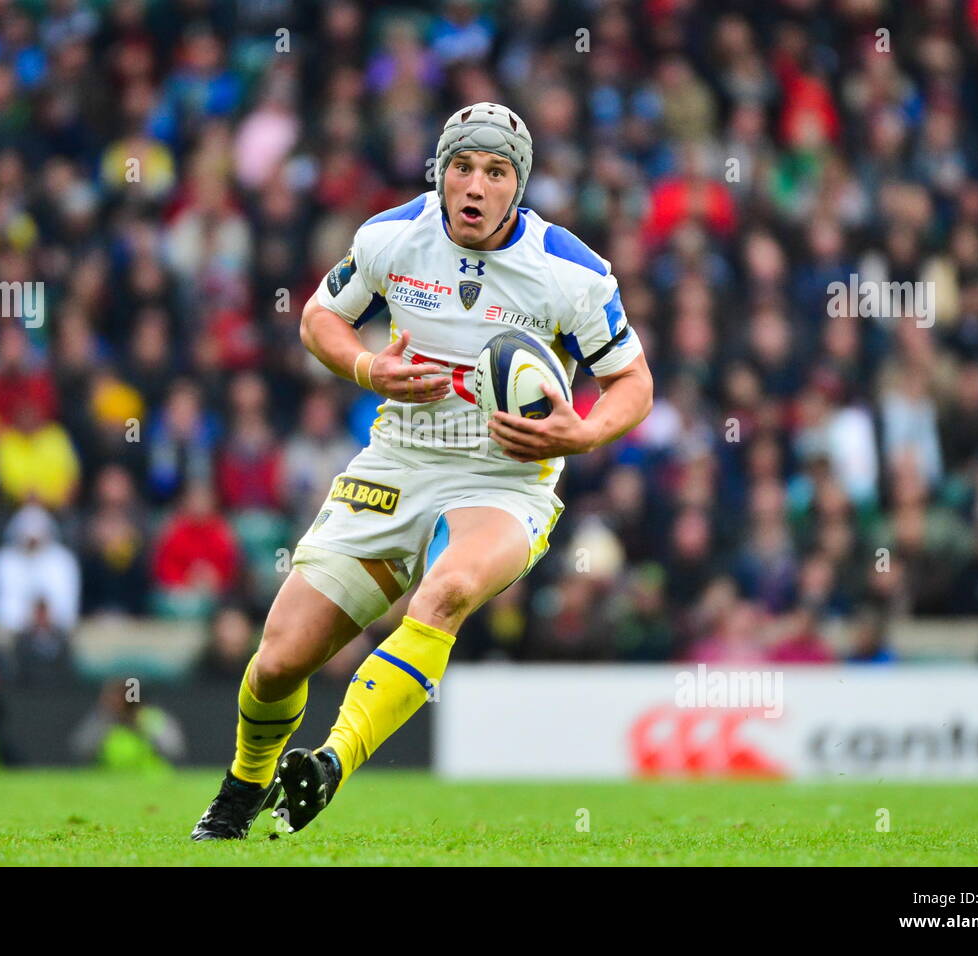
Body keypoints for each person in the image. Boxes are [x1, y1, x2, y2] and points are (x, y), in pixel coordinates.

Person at [191, 103, 653, 840]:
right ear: (439, 172)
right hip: (397, 462)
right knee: (279, 661)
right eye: (462, 167)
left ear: (518, 186)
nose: (474, 185)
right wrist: (369, 366)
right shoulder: (389, 237)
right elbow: (319, 317)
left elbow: (633, 382)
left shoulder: (572, 272)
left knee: (446, 593)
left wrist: (585, 431)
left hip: (503, 479)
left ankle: (331, 763)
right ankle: (243, 788)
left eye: (495, 173)